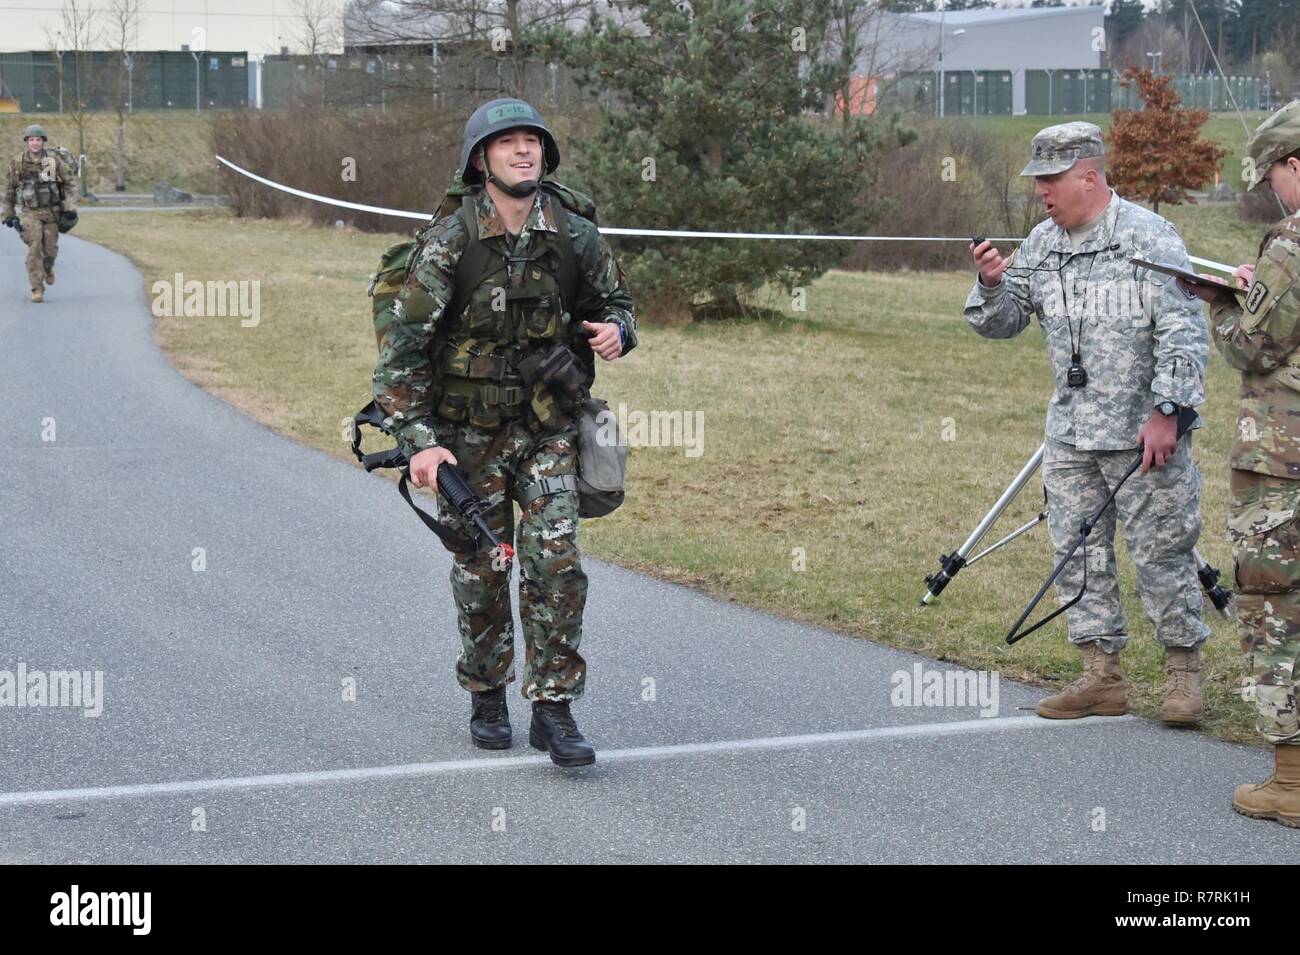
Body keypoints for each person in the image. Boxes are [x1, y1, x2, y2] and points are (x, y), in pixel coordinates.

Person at [372, 98, 636, 767]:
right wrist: (422, 442)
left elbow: (617, 303)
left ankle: (553, 707)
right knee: (485, 569)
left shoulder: (574, 234)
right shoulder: (450, 243)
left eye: (533, 142)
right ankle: (488, 690)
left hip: (547, 429)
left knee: (557, 564)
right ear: (480, 159)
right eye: (508, 142)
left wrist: (617, 332)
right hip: (464, 438)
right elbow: (398, 361)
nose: (523, 151)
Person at [966, 122, 1211, 723]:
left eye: (1050, 179)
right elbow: (1001, 322)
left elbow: (1185, 330)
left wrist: (1168, 413)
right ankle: (1100, 675)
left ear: (1089, 177)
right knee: (1078, 553)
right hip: (1072, 433)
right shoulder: (1042, 244)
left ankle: (1184, 677)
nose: (1041, 192)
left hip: (1141, 436)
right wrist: (991, 285)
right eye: (1037, 181)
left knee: (1162, 553)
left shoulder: (1148, 237)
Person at [1181, 100, 1300, 826]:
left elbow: (1254, 346)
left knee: (1275, 610)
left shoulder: (1292, 242)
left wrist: (1221, 302)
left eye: (1274, 175)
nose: (1272, 192)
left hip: (1282, 465)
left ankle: (1290, 777)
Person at [2, 124, 77, 303]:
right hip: (30, 212)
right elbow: (10, 190)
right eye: (31, 140)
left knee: (49, 251)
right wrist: (9, 213)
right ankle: (37, 289)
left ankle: (48, 267)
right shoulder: (18, 162)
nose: (35, 143)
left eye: (38, 140)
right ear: (27, 142)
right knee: (34, 248)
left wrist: (70, 207)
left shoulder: (52, 161)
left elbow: (69, 183)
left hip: (52, 212)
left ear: (43, 141)